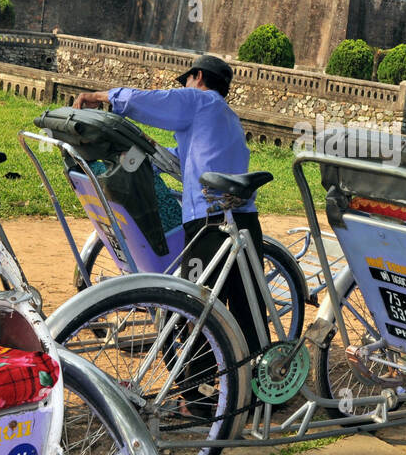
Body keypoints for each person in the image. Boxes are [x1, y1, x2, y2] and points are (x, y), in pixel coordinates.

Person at [74, 54, 267, 350]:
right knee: (246, 311)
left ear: (198, 77)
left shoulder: (200, 100)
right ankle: (257, 388)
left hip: (210, 223)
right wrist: (141, 155)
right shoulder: (225, 118)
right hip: (244, 220)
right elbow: (183, 161)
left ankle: (199, 389)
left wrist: (100, 96)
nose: (185, 85)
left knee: (198, 310)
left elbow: (151, 101)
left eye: (187, 80)